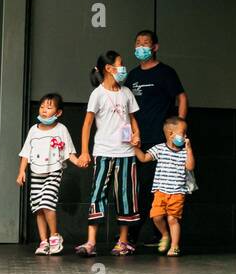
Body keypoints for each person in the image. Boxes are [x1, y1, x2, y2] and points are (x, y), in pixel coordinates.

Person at [122, 29, 188, 244]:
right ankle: (131, 232)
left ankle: (159, 233)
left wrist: (179, 127)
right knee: (135, 187)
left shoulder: (166, 73)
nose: (141, 47)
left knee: (157, 186)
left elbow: (182, 97)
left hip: (161, 140)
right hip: (137, 140)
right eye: (138, 43)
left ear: (155, 47)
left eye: (146, 43)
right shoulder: (132, 76)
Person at [73, 50, 141, 256]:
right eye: (120, 65)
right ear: (109, 69)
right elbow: (87, 124)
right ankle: (91, 242)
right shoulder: (98, 94)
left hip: (127, 153)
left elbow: (133, 120)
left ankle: (123, 242)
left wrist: (137, 136)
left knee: (125, 196)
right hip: (103, 152)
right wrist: (85, 152)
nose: (123, 69)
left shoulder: (127, 92)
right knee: (98, 194)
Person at [16, 93, 77, 255]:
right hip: (36, 173)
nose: (44, 110)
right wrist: (21, 172)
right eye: (42, 107)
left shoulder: (61, 129)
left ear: (58, 113)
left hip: (53, 172)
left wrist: (78, 161)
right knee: (38, 208)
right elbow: (25, 153)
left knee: (47, 203)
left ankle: (54, 236)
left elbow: (69, 151)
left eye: (49, 108)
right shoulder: (33, 131)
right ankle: (44, 242)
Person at [132, 116, 194, 256]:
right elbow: (144, 158)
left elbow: (190, 166)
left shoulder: (184, 152)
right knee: (156, 217)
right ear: (171, 134)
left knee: (173, 219)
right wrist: (134, 147)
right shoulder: (160, 149)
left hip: (177, 192)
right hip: (160, 192)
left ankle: (174, 245)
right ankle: (165, 235)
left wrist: (189, 149)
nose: (185, 136)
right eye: (183, 133)